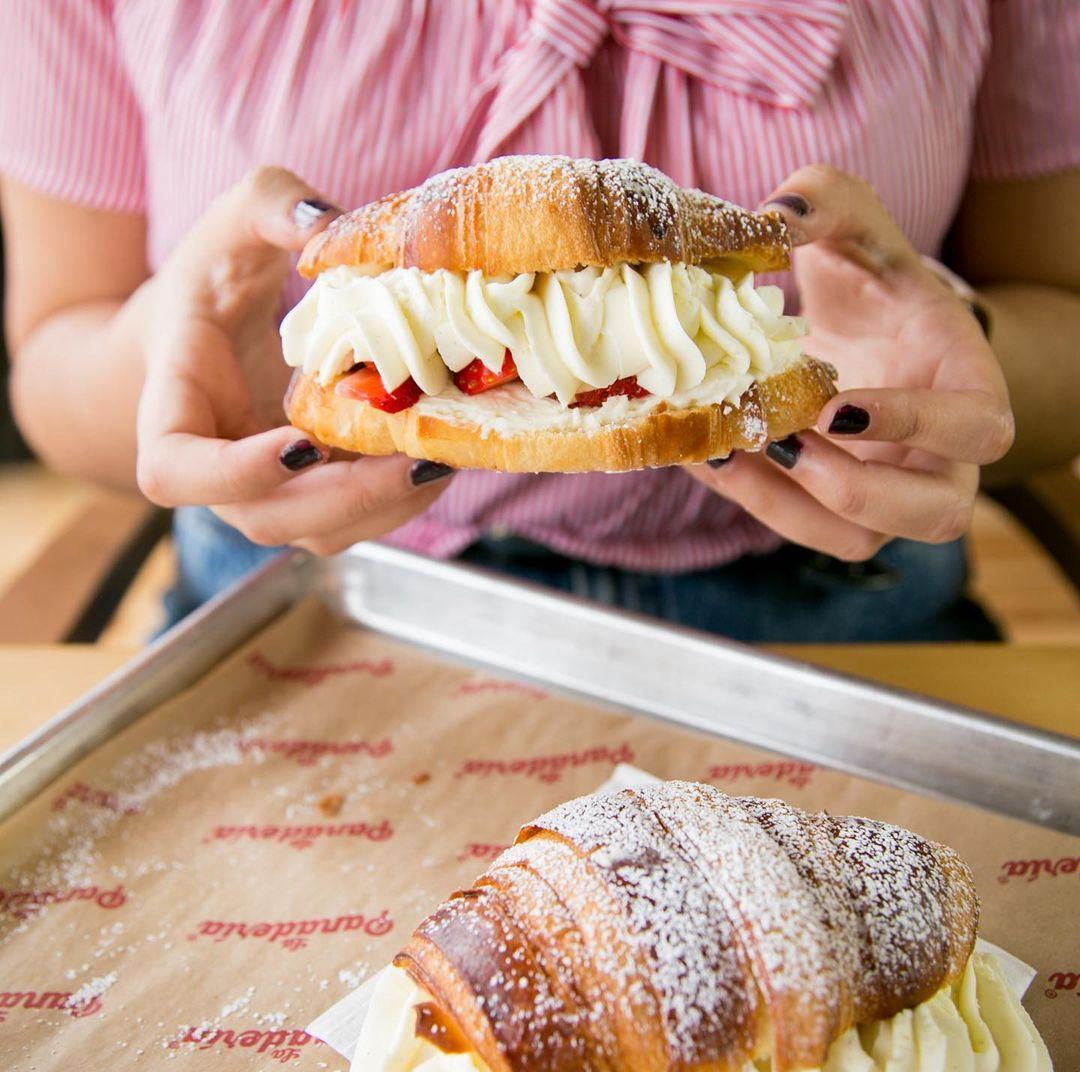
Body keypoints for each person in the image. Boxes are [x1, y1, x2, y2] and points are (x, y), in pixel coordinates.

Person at [2, 1, 1078, 641]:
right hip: (310, 617)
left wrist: (957, 364)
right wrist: (183, 361)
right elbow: (54, 356)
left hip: (846, 618)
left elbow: (1059, 318)